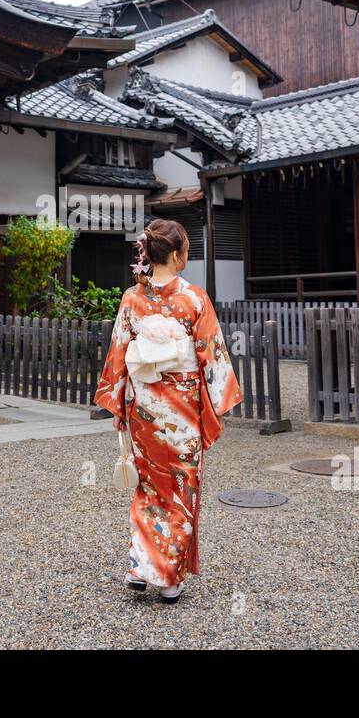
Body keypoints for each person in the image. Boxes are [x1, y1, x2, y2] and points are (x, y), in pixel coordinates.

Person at [93, 218, 242, 603]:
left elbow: (118, 355)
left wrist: (117, 403)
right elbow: (213, 356)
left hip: (143, 408)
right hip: (181, 413)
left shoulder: (131, 299)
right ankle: (167, 577)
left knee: (147, 487)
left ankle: (140, 566)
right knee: (179, 490)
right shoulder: (194, 299)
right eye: (186, 248)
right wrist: (220, 403)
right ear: (176, 255)